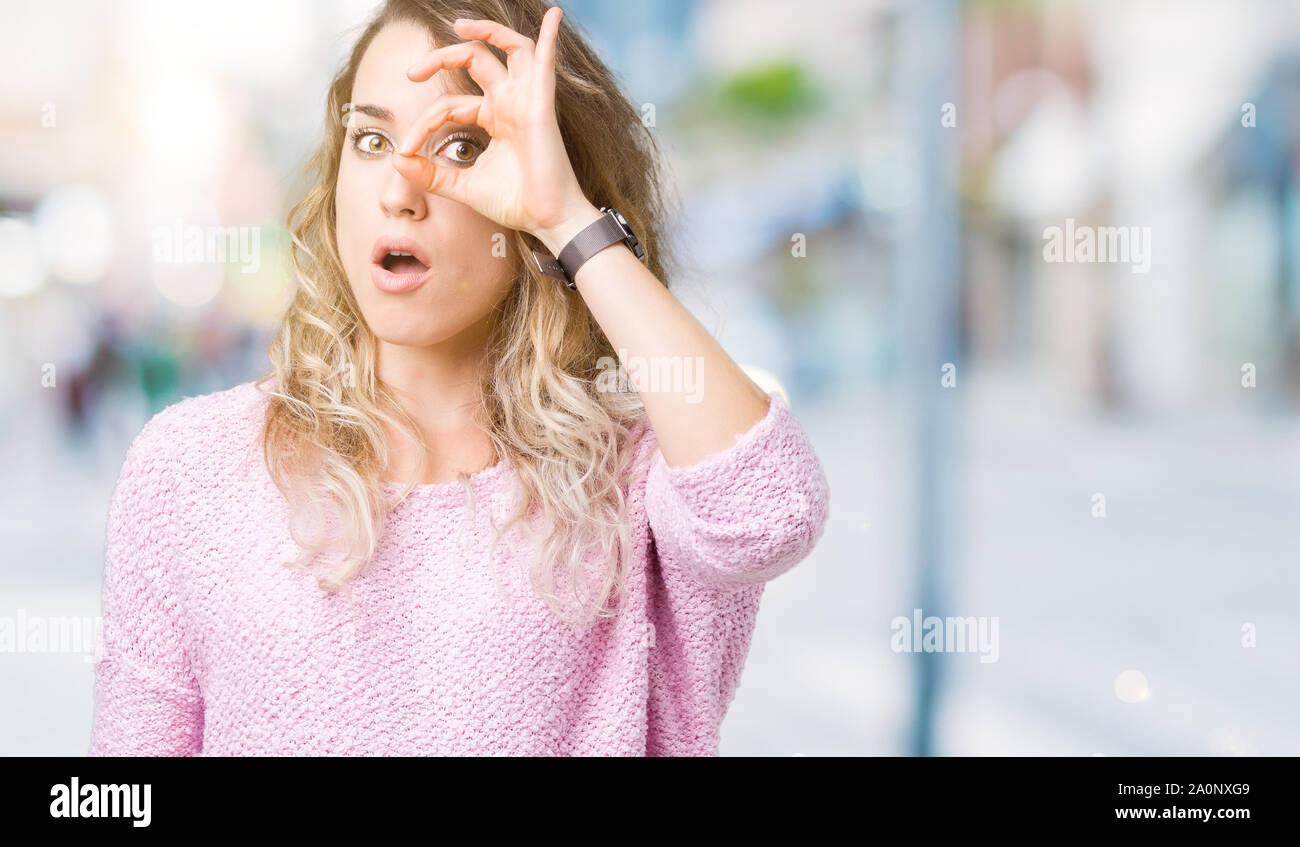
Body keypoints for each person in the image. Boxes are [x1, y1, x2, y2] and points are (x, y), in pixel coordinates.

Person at [89, 0, 830, 756]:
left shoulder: (636, 487)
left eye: (464, 147)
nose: (398, 191)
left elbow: (770, 511)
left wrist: (566, 218)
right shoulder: (190, 468)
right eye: (371, 139)